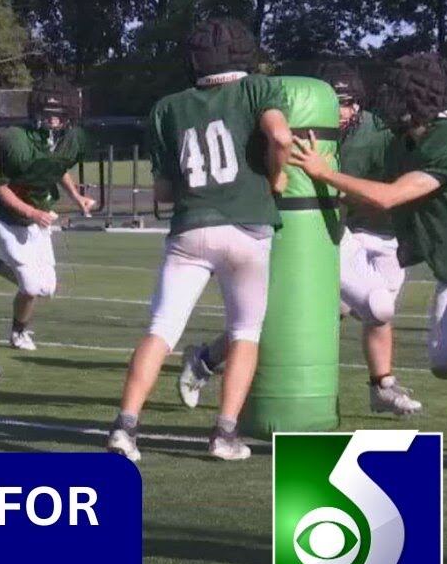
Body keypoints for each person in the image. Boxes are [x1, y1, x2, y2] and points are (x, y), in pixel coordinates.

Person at [177, 62, 421, 416]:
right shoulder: (279, 123)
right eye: (335, 102)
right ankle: (205, 360)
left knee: (379, 307)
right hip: (286, 232)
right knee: (271, 318)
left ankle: (382, 385)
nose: (341, 111)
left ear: (361, 105)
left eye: (349, 103)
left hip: (334, 229)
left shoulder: (377, 132)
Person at [107, 18, 292, 462]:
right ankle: (224, 434)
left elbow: (165, 193)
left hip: (191, 229)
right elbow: (281, 135)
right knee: (245, 332)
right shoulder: (258, 89)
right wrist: (277, 175)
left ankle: (124, 427)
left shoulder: (168, 107)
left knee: (162, 329)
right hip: (247, 227)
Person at [290, 53, 447, 425]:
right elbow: (373, 195)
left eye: (399, 91)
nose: (389, 98)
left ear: (422, 98)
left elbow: (388, 196)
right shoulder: (403, 144)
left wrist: (322, 173)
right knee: (444, 363)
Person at [0, 75, 97, 351]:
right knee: (31, 287)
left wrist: (77, 197)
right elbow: (0, 189)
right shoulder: (16, 141)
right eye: (49, 114)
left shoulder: (66, 139)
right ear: (37, 111)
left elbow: (58, 166)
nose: (54, 120)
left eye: (59, 115)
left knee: (46, 289)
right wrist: (33, 213)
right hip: (8, 220)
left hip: (38, 219)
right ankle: (18, 333)